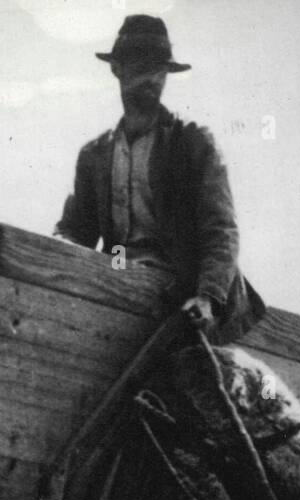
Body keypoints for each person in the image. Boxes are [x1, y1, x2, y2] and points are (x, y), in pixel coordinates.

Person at [54, 14, 264, 345]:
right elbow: (74, 231)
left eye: (159, 68)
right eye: (140, 65)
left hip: (180, 294)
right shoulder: (94, 155)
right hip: (116, 284)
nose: (152, 77)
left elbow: (220, 229)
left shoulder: (193, 142)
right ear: (117, 69)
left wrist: (208, 297)